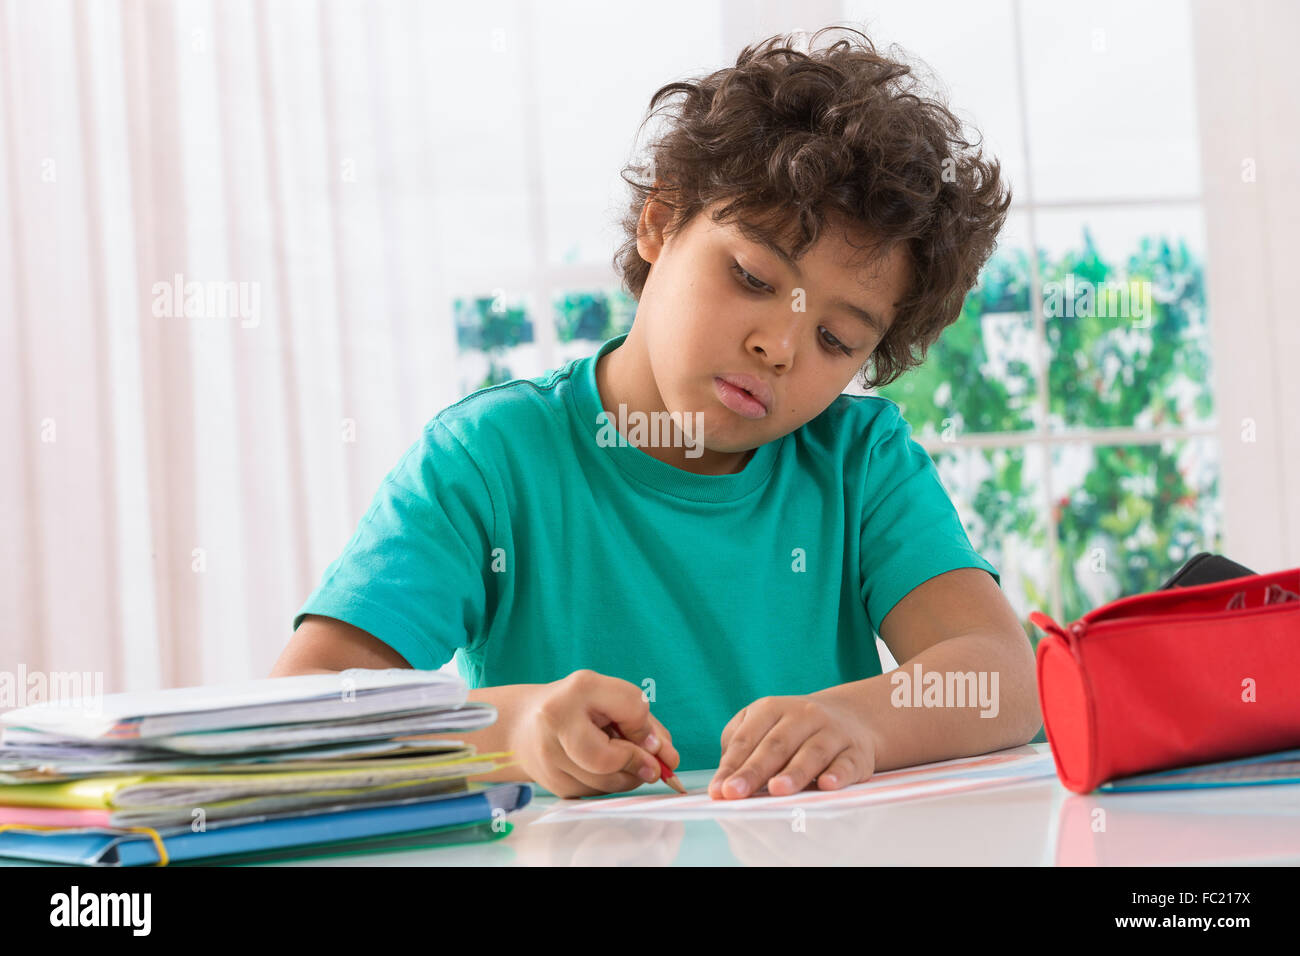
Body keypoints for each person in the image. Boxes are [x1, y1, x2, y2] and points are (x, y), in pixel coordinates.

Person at [272, 26, 1040, 800]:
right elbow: (302, 716)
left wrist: (864, 721)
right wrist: (514, 731)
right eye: (750, 276)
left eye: (835, 338)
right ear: (660, 222)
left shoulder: (858, 462)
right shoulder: (486, 461)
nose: (779, 346)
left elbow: (1003, 679)